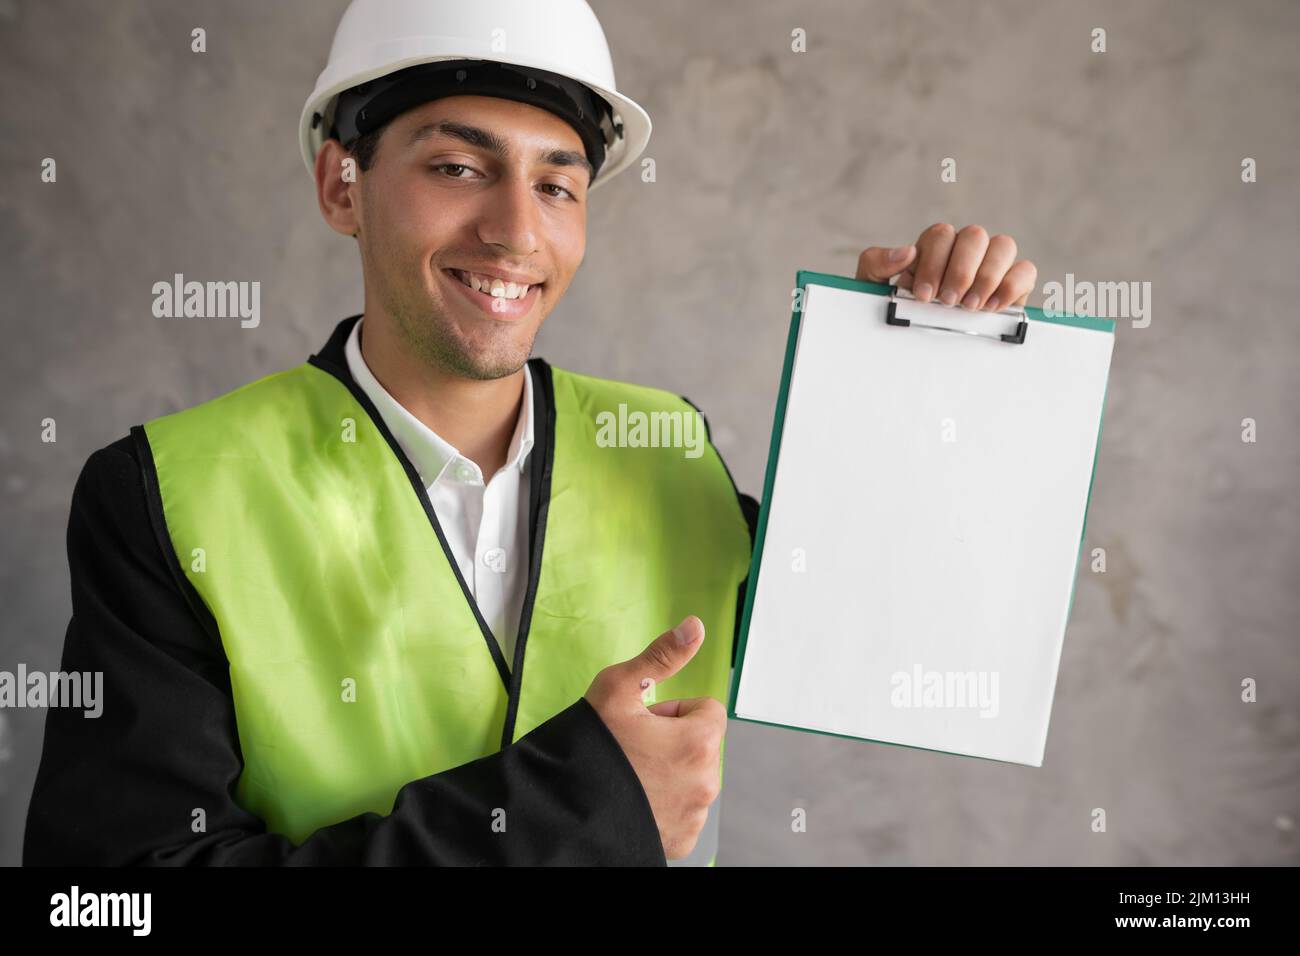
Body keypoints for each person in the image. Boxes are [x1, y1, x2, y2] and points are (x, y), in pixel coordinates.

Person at [23, 0, 1035, 867]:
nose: (515, 230)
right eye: (459, 166)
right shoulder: (170, 493)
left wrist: (913, 383)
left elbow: (922, 660)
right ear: (341, 185)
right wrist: (579, 809)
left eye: (557, 184)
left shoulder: (665, 451)